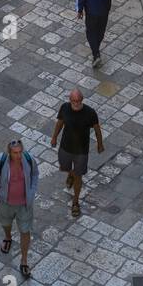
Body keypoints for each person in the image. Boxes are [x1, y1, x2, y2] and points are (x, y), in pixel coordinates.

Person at [0, 139, 39, 280]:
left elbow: (35, 175)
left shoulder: (29, 159)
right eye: (15, 153)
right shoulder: (1, 160)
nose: (18, 155)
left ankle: (24, 260)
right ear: (9, 153)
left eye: (20, 152)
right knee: (5, 222)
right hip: (6, 202)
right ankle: (8, 237)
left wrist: (31, 192)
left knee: (25, 231)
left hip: (24, 204)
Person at [50, 88, 104, 218]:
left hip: (81, 151)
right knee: (66, 168)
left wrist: (100, 144)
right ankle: (71, 174)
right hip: (65, 148)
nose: (76, 103)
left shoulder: (90, 113)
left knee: (79, 176)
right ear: (70, 100)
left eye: (78, 100)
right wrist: (54, 137)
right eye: (74, 100)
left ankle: (75, 202)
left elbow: (97, 129)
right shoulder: (65, 108)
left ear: (82, 100)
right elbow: (60, 123)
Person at [76, 0, 118, 68]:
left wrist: (79, 10)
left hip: (91, 12)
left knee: (90, 32)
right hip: (104, 10)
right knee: (100, 32)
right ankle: (96, 51)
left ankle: (96, 54)